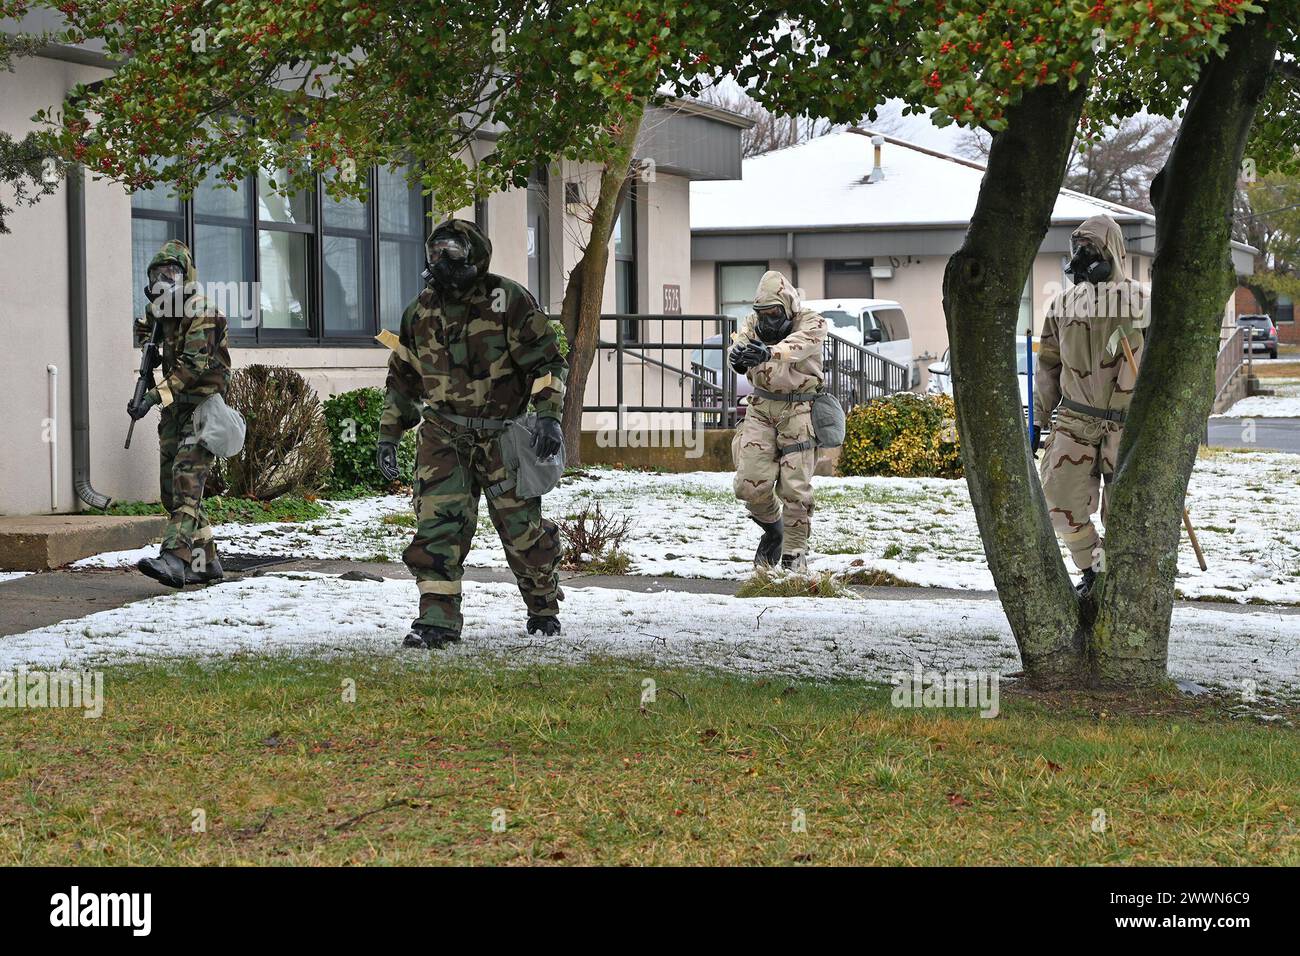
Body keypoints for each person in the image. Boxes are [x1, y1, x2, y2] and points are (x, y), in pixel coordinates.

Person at [377, 218, 567, 649]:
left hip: (503, 437)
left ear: (475, 254)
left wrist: (549, 417)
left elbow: (547, 364)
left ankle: (542, 605)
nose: (443, 262)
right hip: (443, 436)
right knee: (437, 528)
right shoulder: (420, 310)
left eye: (453, 253)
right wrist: (389, 433)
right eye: (435, 253)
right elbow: (403, 377)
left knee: (522, 531)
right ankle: (437, 621)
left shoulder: (509, 299)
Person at [1033, 214, 1147, 595]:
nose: (1082, 257)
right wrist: (1036, 418)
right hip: (1075, 421)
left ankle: (1121, 583)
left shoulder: (1141, 303)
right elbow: (1048, 364)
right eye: (1077, 249)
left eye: (1091, 249)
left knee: (1126, 515)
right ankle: (1094, 569)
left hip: (1125, 425)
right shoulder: (1063, 304)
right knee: (1059, 502)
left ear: (1110, 251)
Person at [129, 240, 232, 588]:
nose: (165, 280)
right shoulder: (163, 311)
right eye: (158, 274)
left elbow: (192, 366)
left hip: (203, 409)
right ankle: (206, 563)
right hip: (176, 410)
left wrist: (151, 397)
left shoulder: (202, 310)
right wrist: (148, 342)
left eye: (172, 272)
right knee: (172, 492)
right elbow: (147, 336)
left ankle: (174, 559)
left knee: (187, 482)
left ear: (186, 275)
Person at [728, 270, 828, 571]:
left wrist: (768, 351)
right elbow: (740, 342)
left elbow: (798, 345)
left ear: (787, 307)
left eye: (774, 313)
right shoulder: (753, 324)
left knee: (794, 489)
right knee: (749, 485)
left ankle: (794, 555)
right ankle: (774, 530)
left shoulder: (812, 321)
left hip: (799, 410)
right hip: (761, 407)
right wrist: (737, 355)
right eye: (762, 313)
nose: (767, 320)